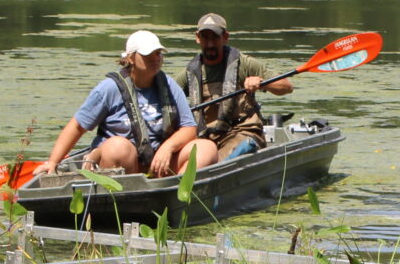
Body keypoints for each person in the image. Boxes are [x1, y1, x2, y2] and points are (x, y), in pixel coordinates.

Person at [30, 30, 202, 179]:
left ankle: (174, 195)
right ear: (130, 58)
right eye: (148, 54)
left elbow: (189, 128)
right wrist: (53, 162)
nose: (155, 59)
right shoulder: (109, 88)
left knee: (204, 149)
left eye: (158, 53)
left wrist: (168, 147)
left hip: (157, 163)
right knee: (119, 148)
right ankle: (124, 199)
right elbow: (77, 126)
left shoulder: (169, 85)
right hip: (120, 161)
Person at [181, 12, 292, 163]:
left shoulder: (243, 64)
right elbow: (168, 96)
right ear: (197, 38)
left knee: (217, 163)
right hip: (206, 138)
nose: (210, 44)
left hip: (241, 133)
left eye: (215, 37)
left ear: (225, 37)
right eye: (205, 37)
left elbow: (286, 86)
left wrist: (261, 82)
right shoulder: (191, 72)